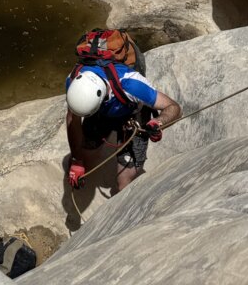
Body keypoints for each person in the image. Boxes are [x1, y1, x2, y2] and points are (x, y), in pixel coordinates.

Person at [64, 30, 181, 194]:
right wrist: (77, 160)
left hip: (133, 114)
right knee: (86, 156)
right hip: (103, 111)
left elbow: (173, 107)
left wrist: (159, 122)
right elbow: (72, 120)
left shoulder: (131, 84)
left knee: (124, 183)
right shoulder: (74, 80)